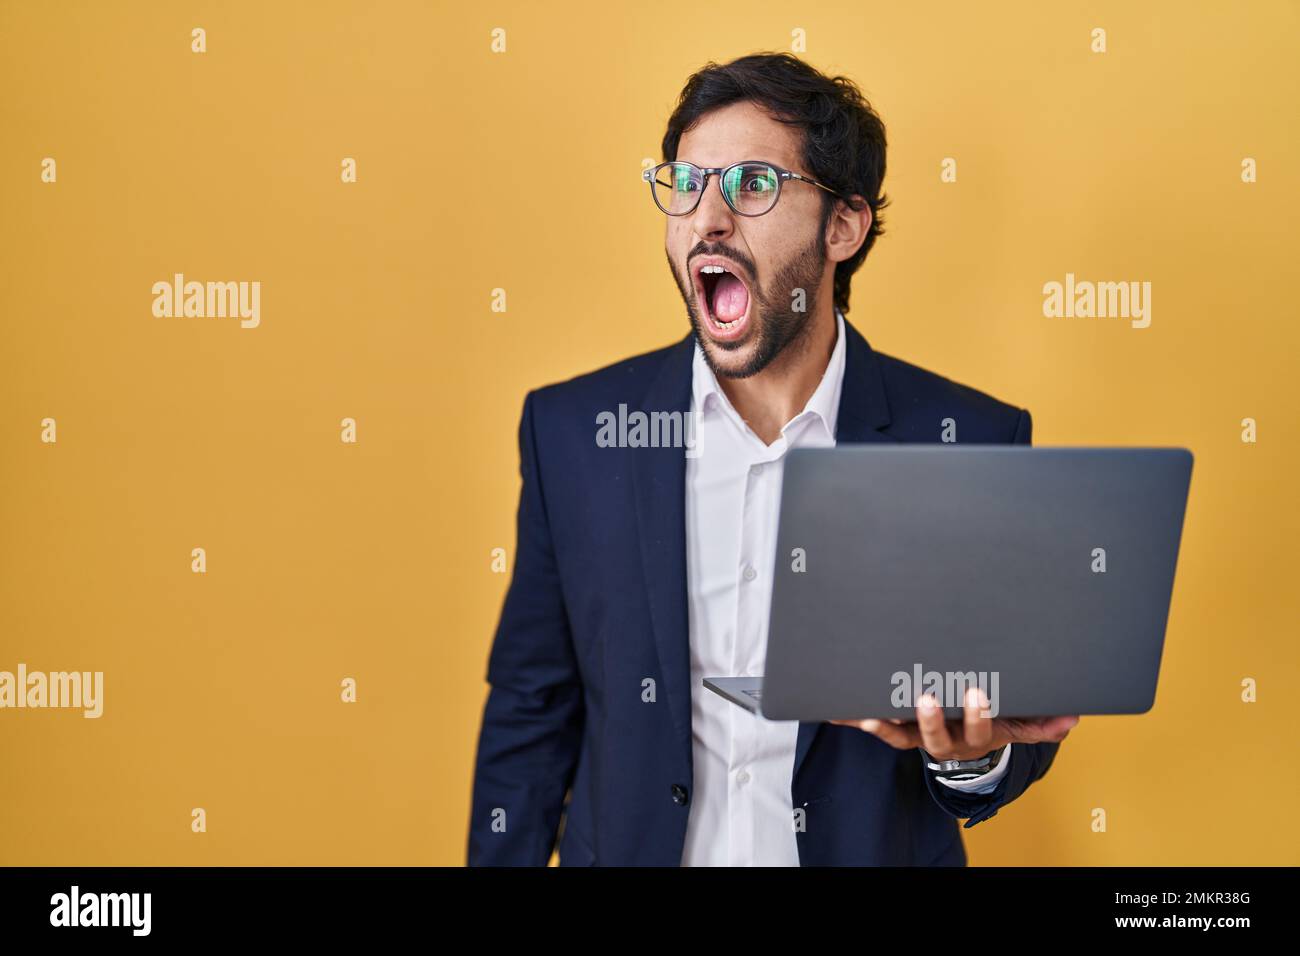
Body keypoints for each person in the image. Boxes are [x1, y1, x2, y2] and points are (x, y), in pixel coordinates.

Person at [468, 52, 1077, 866]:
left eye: (751, 185)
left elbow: (1005, 726)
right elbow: (531, 708)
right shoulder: (575, 433)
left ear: (844, 227)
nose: (707, 219)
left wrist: (969, 756)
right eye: (685, 184)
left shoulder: (968, 439)